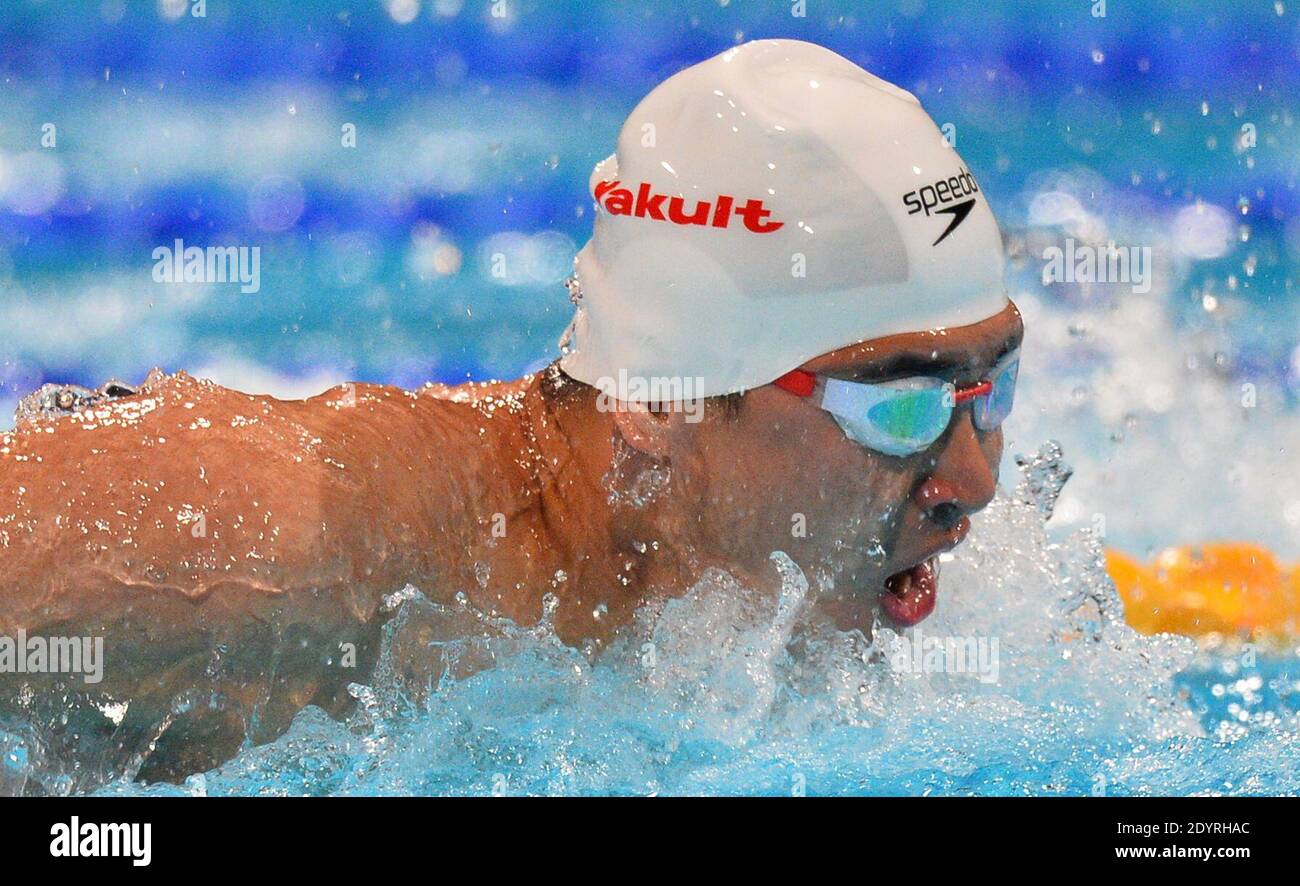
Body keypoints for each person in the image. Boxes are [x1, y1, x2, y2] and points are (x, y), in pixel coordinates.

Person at [0, 39, 1021, 782]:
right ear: (661, 402)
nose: (972, 480)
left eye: (990, 390)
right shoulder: (298, 544)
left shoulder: (855, 602)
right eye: (899, 406)